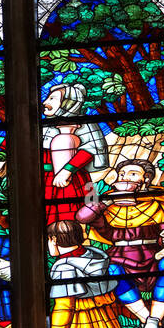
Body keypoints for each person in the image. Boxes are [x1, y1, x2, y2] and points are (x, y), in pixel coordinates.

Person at [76, 158, 164, 328]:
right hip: (120, 256)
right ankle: (151, 322)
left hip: (153, 256)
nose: (125, 178)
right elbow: (82, 216)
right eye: (121, 174)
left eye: (133, 174)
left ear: (146, 180)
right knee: (110, 270)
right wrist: (107, 203)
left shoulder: (159, 203)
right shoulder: (108, 207)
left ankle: (154, 321)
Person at [42, 83, 108, 223]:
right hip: (44, 181)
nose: (45, 102)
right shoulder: (42, 126)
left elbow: (91, 149)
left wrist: (67, 170)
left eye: (52, 99)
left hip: (73, 181)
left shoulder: (84, 124)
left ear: (68, 103)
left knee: (72, 215)